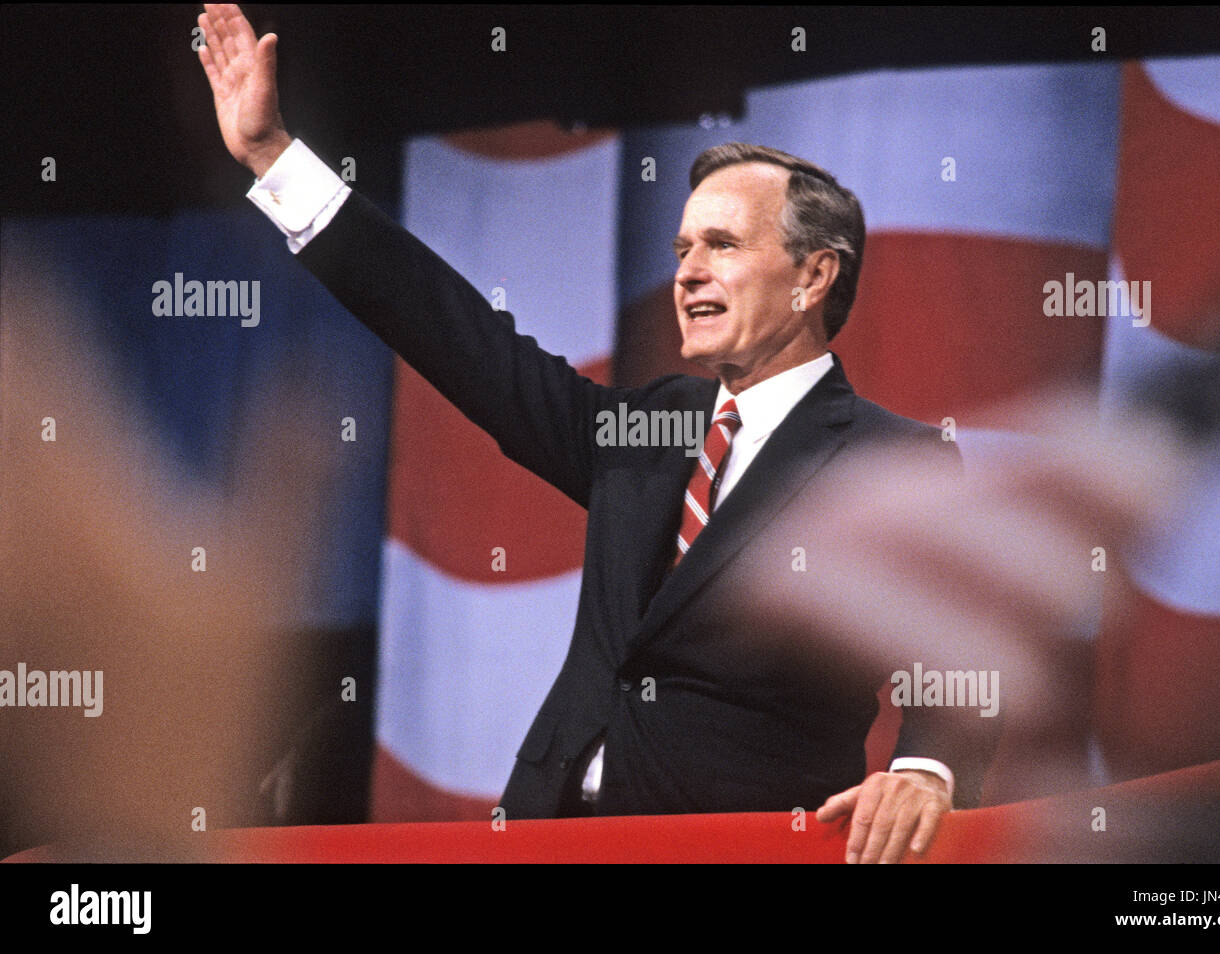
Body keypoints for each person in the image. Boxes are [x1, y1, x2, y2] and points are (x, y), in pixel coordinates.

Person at [197, 2, 1000, 863]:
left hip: (741, 848)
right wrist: (276, 159)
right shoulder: (647, 425)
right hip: (552, 837)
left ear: (813, 276)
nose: (686, 271)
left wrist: (924, 771)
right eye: (684, 246)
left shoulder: (889, 457)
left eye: (721, 246)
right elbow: (460, 338)